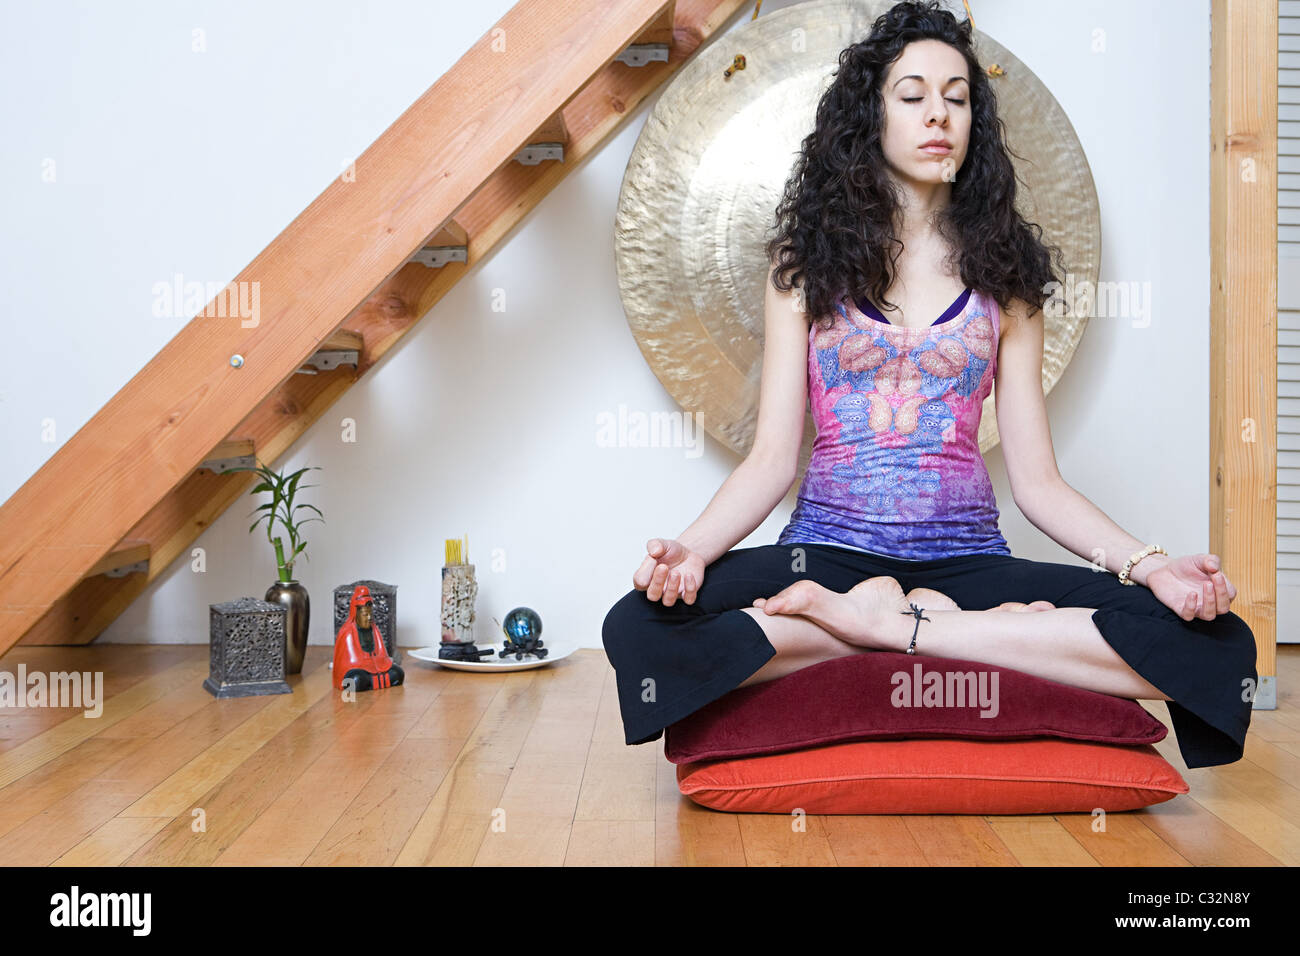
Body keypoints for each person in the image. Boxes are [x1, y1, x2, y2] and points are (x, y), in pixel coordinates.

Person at [601, 0, 1257, 770]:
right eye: (912, 95)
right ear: (870, 116)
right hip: (826, 558)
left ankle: (894, 628)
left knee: (1219, 642)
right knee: (636, 625)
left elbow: (1040, 484)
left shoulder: (1006, 280)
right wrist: (690, 551)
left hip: (968, 562)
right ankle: (944, 629)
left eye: (957, 96)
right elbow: (773, 460)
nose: (937, 114)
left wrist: (1152, 565)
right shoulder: (802, 270)